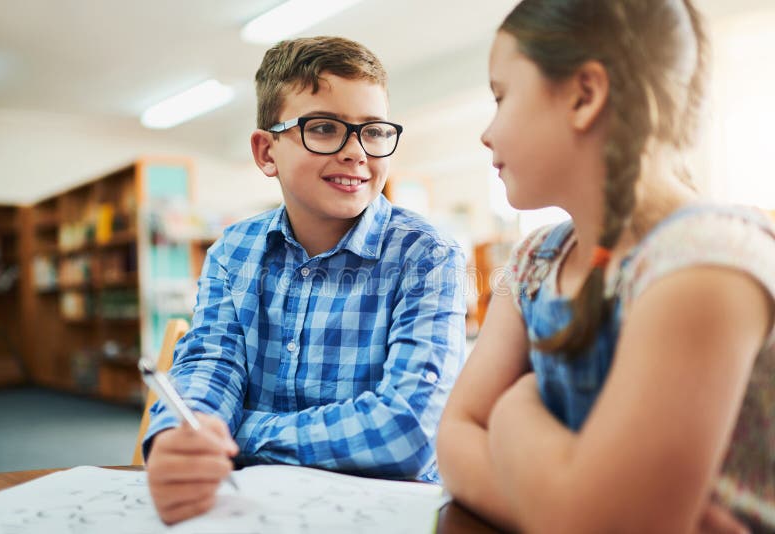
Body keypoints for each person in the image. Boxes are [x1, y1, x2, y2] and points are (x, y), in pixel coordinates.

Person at [436, 1, 775, 532]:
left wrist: (510, 412)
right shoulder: (534, 263)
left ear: (584, 95)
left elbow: (603, 524)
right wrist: (561, 507)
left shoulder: (706, 263)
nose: (487, 132)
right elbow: (454, 440)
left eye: (501, 97)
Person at [143, 36, 466, 524]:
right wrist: (183, 432)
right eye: (323, 128)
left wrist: (239, 434)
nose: (356, 152)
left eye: (374, 131)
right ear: (266, 151)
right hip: (252, 509)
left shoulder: (426, 255)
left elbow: (407, 430)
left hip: (384, 513)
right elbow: (211, 365)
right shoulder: (233, 253)